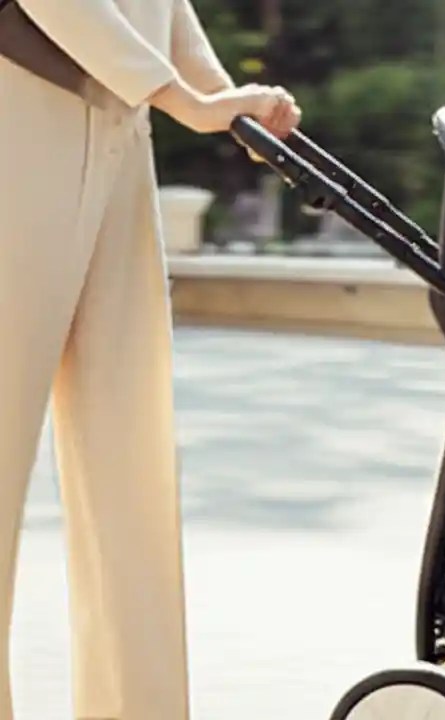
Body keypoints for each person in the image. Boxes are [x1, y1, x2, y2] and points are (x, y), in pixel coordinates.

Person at [0, 1, 300, 718]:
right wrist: (190, 101)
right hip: (19, 118)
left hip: (117, 130)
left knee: (130, 458)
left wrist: (231, 106)